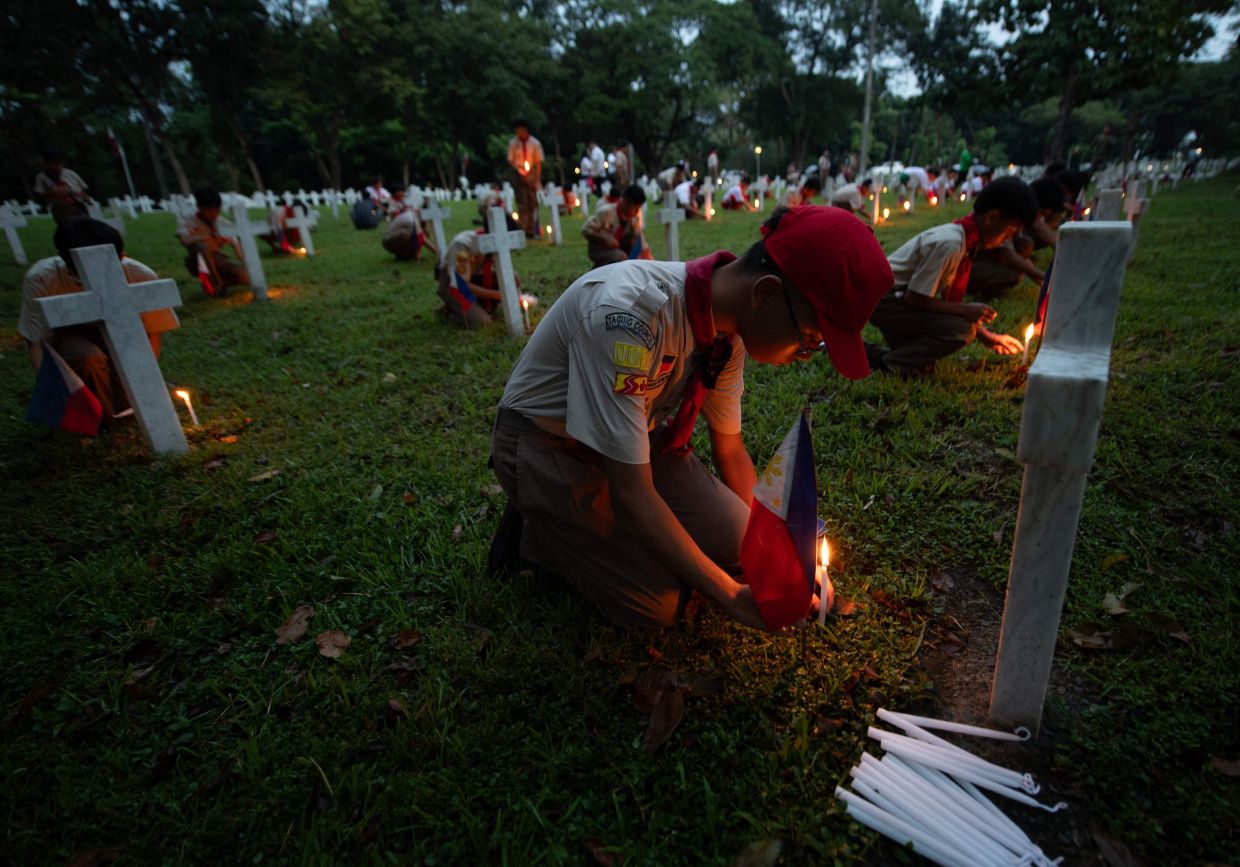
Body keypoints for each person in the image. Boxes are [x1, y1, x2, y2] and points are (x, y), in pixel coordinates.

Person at [487, 206, 893, 629]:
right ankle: (535, 532)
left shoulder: (727, 335)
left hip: (636, 444)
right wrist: (732, 595)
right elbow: (633, 494)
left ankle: (591, 525)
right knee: (658, 604)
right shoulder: (628, 319)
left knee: (743, 544)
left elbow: (730, 449)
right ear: (766, 293)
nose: (803, 357)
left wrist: (783, 553)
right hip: (546, 444)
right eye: (808, 341)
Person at [865, 177, 1037, 377]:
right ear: (992, 216)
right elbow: (915, 298)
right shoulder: (951, 244)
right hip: (883, 300)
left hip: (892, 298)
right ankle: (888, 367)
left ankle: (864, 353)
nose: (1008, 238)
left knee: (922, 369)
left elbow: (942, 299)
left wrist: (987, 336)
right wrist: (965, 310)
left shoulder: (965, 240)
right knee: (961, 330)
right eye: (1011, 230)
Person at [18, 219, 179, 420]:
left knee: (130, 402)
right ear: (67, 264)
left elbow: (153, 331)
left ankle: (117, 397)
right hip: (70, 333)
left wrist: (144, 377)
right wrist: (56, 390)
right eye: (81, 272)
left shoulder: (139, 275)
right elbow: (36, 342)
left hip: (121, 329)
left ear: (121, 257)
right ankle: (99, 418)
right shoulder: (42, 279)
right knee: (88, 357)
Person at [966, 177, 1067, 299]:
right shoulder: (1008, 212)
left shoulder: (1019, 209)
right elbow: (1009, 254)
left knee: (1026, 243)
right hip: (969, 259)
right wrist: (1044, 277)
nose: (1040, 218)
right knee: (1012, 274)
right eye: (1041, 213)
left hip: (986, 252)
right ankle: (977, 284)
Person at [436, 214, 522, 329]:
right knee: (483, 322)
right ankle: (451, 311)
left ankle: (478, 305)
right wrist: (500, 296)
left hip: (474, 278)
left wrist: (516, 296)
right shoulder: (462, 246)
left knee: (513, 277)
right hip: (453, 285)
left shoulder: (492, 244)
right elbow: (462, 284)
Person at [177, 187, 249, 297]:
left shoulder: (221, 222)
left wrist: (246, 265)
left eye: (217, 210)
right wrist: (205, 236)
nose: (214, 214)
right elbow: (185, 240)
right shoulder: (188, 220)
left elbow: (235, 240)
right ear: (199, 207)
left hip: (218, 259)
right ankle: (215, 283)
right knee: (203, 245)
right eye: (210, 210)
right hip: (198, 261)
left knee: (245, 277)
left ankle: (221, 284)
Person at [582, 184, 650, 266]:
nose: (636, 212)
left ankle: (625, 267)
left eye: (638, 209)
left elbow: (641, 243)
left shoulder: (633, 218)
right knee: (621, 256)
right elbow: (585, 230)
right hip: (599, 249)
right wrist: (604, 238)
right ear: (625, 202)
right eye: (635, 208)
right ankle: (603, 270)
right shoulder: (606, 211)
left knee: (636, 238)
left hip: (618, 248)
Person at [33, 148, 93, 225]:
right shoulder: (41, 177)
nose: (58, 165)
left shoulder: (70, 173)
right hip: (61, 209)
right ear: (46, 163)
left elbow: (82, 190)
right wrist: (52, 192)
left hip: (78, 206)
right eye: (55, 163)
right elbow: (40, 195)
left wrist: (86, 199)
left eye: (60, 162)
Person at [506, 118, 543, 239]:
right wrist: (517, 167)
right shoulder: (513, 143)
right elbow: (510, 159)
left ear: (524, 129)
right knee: (521, 202)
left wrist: (537, 180)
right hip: (518, 173)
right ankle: (522, 227)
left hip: (531, 173)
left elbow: (538, 163)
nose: (517, 131)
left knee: (532, 201)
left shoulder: (535, 143)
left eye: (518, 129)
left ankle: (531, 228)